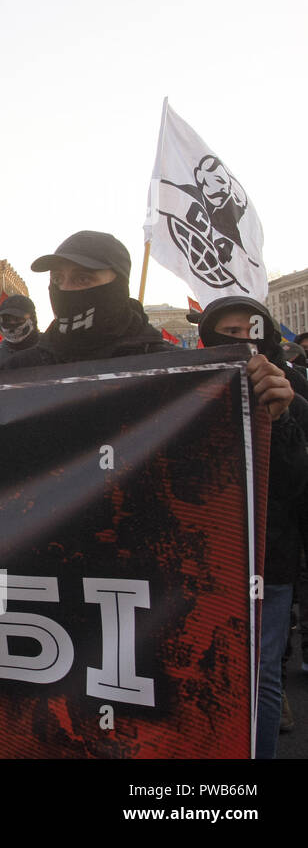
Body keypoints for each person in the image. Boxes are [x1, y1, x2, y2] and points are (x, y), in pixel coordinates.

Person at [190, 296, 308, 758]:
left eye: (249, 331)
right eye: (229, 333)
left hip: (268, 559)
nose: (242, 342)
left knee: (262, 676)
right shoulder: (190, 389)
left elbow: (298, 484)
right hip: (204, 557)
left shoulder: (292, 391)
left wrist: (281, 419)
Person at [0, 232, 173, 369]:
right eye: (57, 279)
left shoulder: (174, 370)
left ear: (118, 285)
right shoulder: (19, 371)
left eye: (82, 279)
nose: (64, 290)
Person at [0, 295, 40, 370]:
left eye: (18, 319)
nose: (12, 324)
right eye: (6, 319)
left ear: (33, 319)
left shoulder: (49, 352)